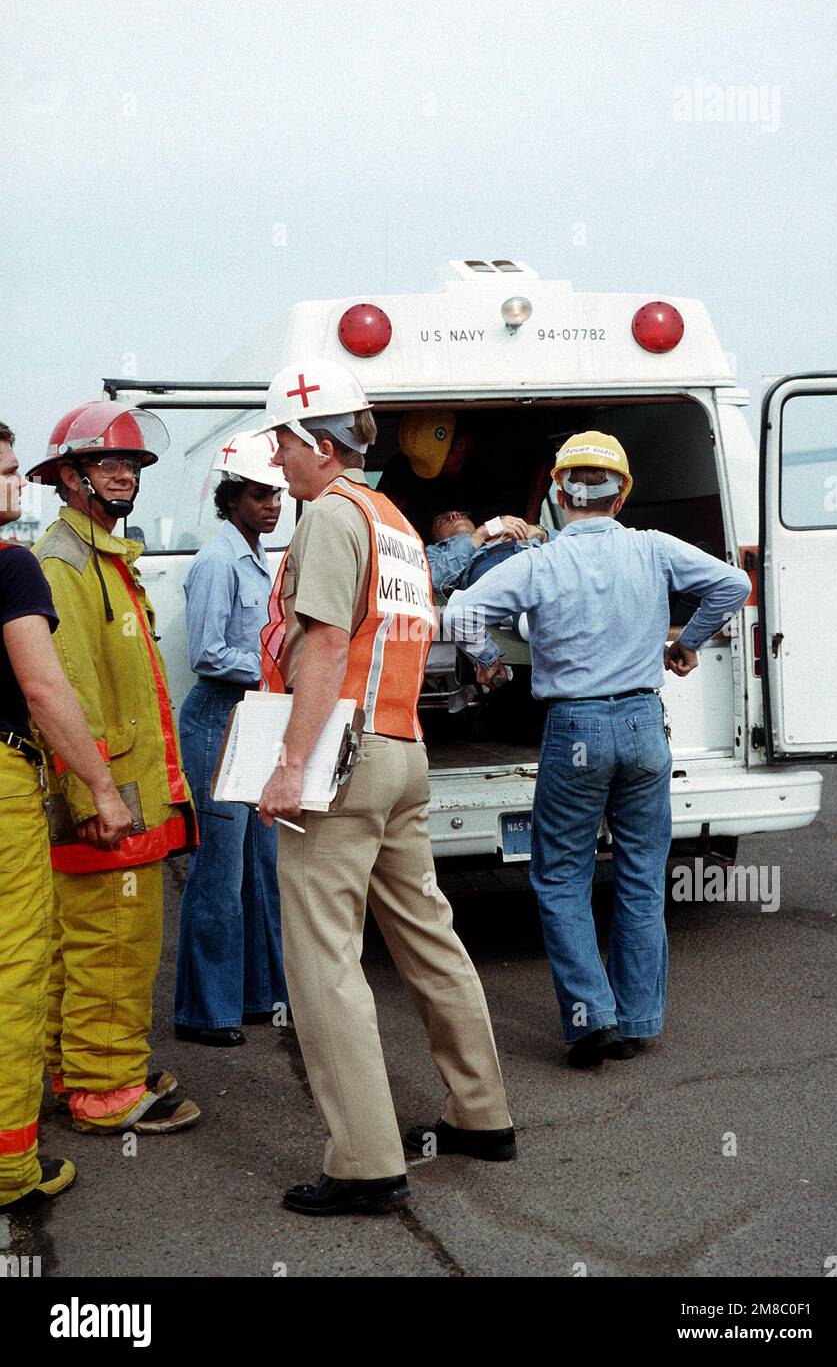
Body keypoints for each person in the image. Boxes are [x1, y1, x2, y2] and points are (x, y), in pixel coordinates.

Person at [253, 358, 514, 1216]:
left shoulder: (328, 515)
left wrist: (289, 764)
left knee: (325, 958)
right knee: (429, 936)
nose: (276, 462)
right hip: (403, 748)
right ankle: (481, 1113)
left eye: (282, 444)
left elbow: (323, 647)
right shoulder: (396, 519)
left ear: (316, 444)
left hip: (343, 758)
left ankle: (365, 1162)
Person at [446, 432, 751, 1068]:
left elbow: (463, 614)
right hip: (644, 724)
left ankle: (592, 1021)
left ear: (558, 492)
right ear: (624, 494)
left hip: (575, 729)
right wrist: (685, 643)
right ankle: (638, 1019)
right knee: (642, 874)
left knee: (562, 875)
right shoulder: (652, 549)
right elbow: (730, 584)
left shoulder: (539, 561)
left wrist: (489, 668)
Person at [27, 402, 201, 1134]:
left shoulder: (100, 558)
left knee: (89, 944)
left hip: (126, 792)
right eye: (107, 463)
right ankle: (107, 1092)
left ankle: (88, 1069)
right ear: (70, 478)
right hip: (110, 801)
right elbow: (64, 691)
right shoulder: (65, 564)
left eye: (131, 464)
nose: (124, 474)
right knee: (115, 946)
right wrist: (95, 794)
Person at [0, 423, 133, 1206]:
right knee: (17, 968)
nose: (16, 487)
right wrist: (103, 789)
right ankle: (11, 1166)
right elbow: (48, 691)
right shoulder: (14, 566)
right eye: (8, 474)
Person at [174, 431, 291, 1046]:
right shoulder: (219, 562)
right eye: (258, 494)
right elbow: (207, 653)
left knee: (260, 867)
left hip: (253, 723)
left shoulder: (258, 558)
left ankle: (259, 997)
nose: (272, 504)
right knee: (219, 872)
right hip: (219, 722)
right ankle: (205, 1012)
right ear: (232, 497)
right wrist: (274, 670)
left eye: (275, 493)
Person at [426, 507, 550, 598]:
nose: (455, 514)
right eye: (443, 519)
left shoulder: (505, 527)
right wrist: (480, 534)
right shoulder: (434, 550)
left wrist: (541, 533)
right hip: (493, 572)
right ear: (434, 536)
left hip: (538, 558)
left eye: (462, 514)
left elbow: (567, 544)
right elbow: (435, 579)